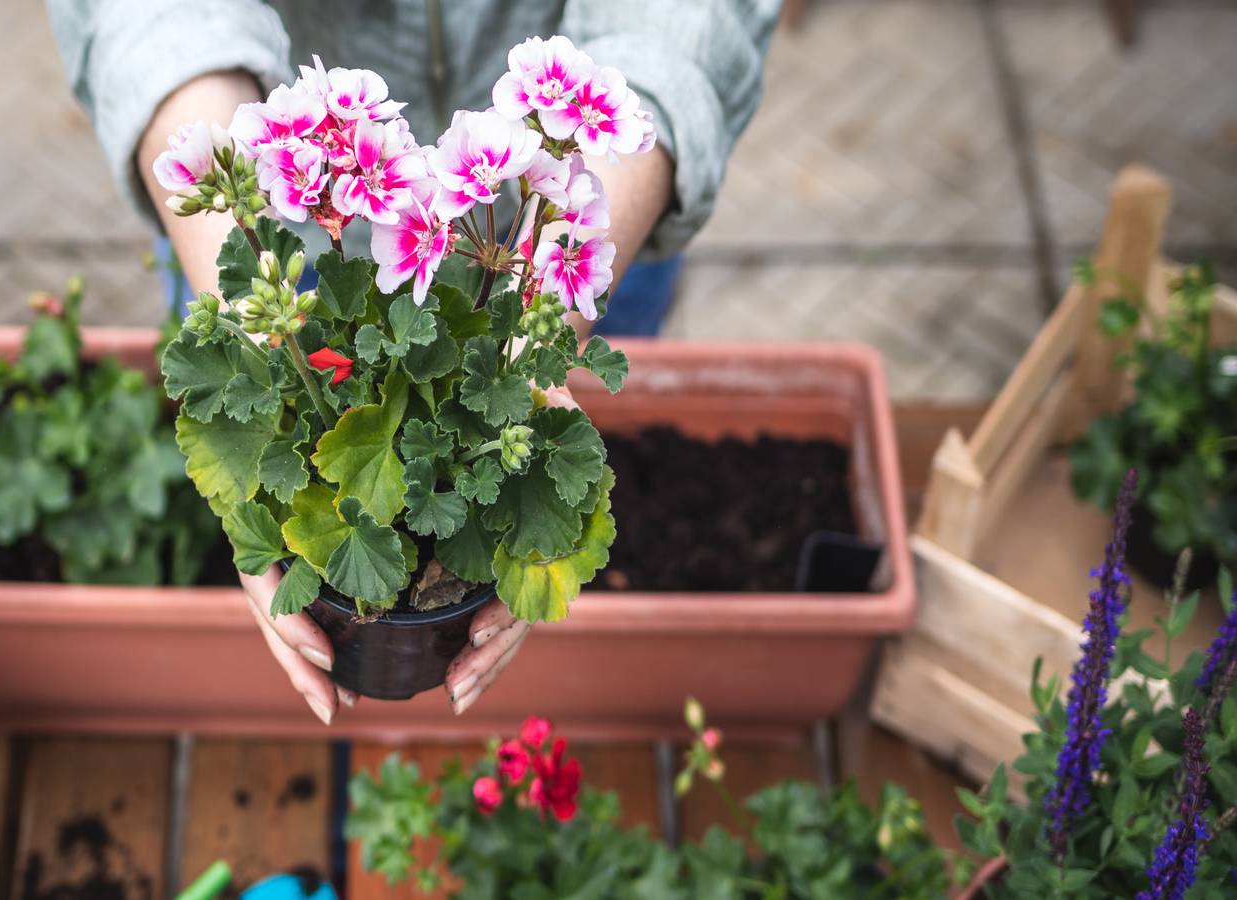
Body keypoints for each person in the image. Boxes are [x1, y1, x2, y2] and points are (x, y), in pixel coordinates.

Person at [48, 0, 778, 724]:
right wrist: (252, 310)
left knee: (552, 422)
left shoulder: (550, 209)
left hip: (596, 204)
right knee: (251, 380)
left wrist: (534, 349)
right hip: (287, 223)